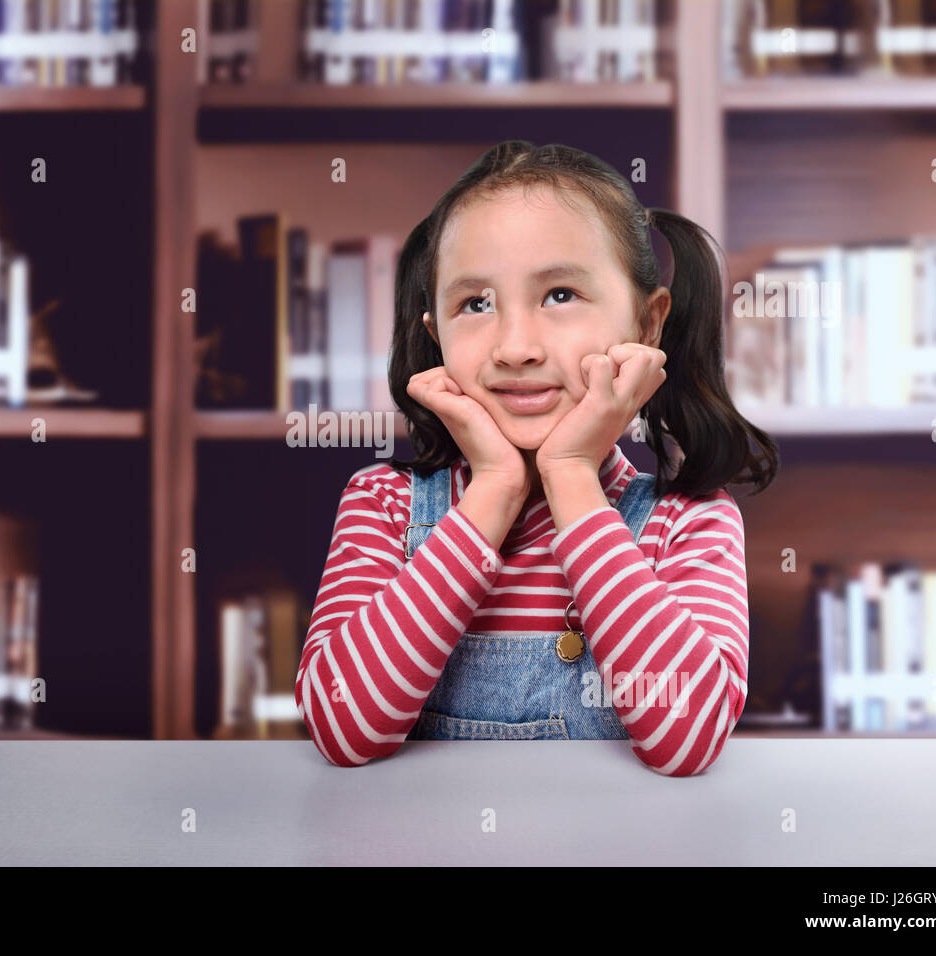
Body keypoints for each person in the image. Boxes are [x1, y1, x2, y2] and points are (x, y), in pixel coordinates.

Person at [295, 141, 778, 776]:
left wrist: (573, 474)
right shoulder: (382, 505)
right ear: (435, 335)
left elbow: (686, 743)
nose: (516, 347)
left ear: (647, 323)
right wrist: (492, 489)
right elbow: (343, 729)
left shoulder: (688, 522)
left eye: (559, 295)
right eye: (475, 304)